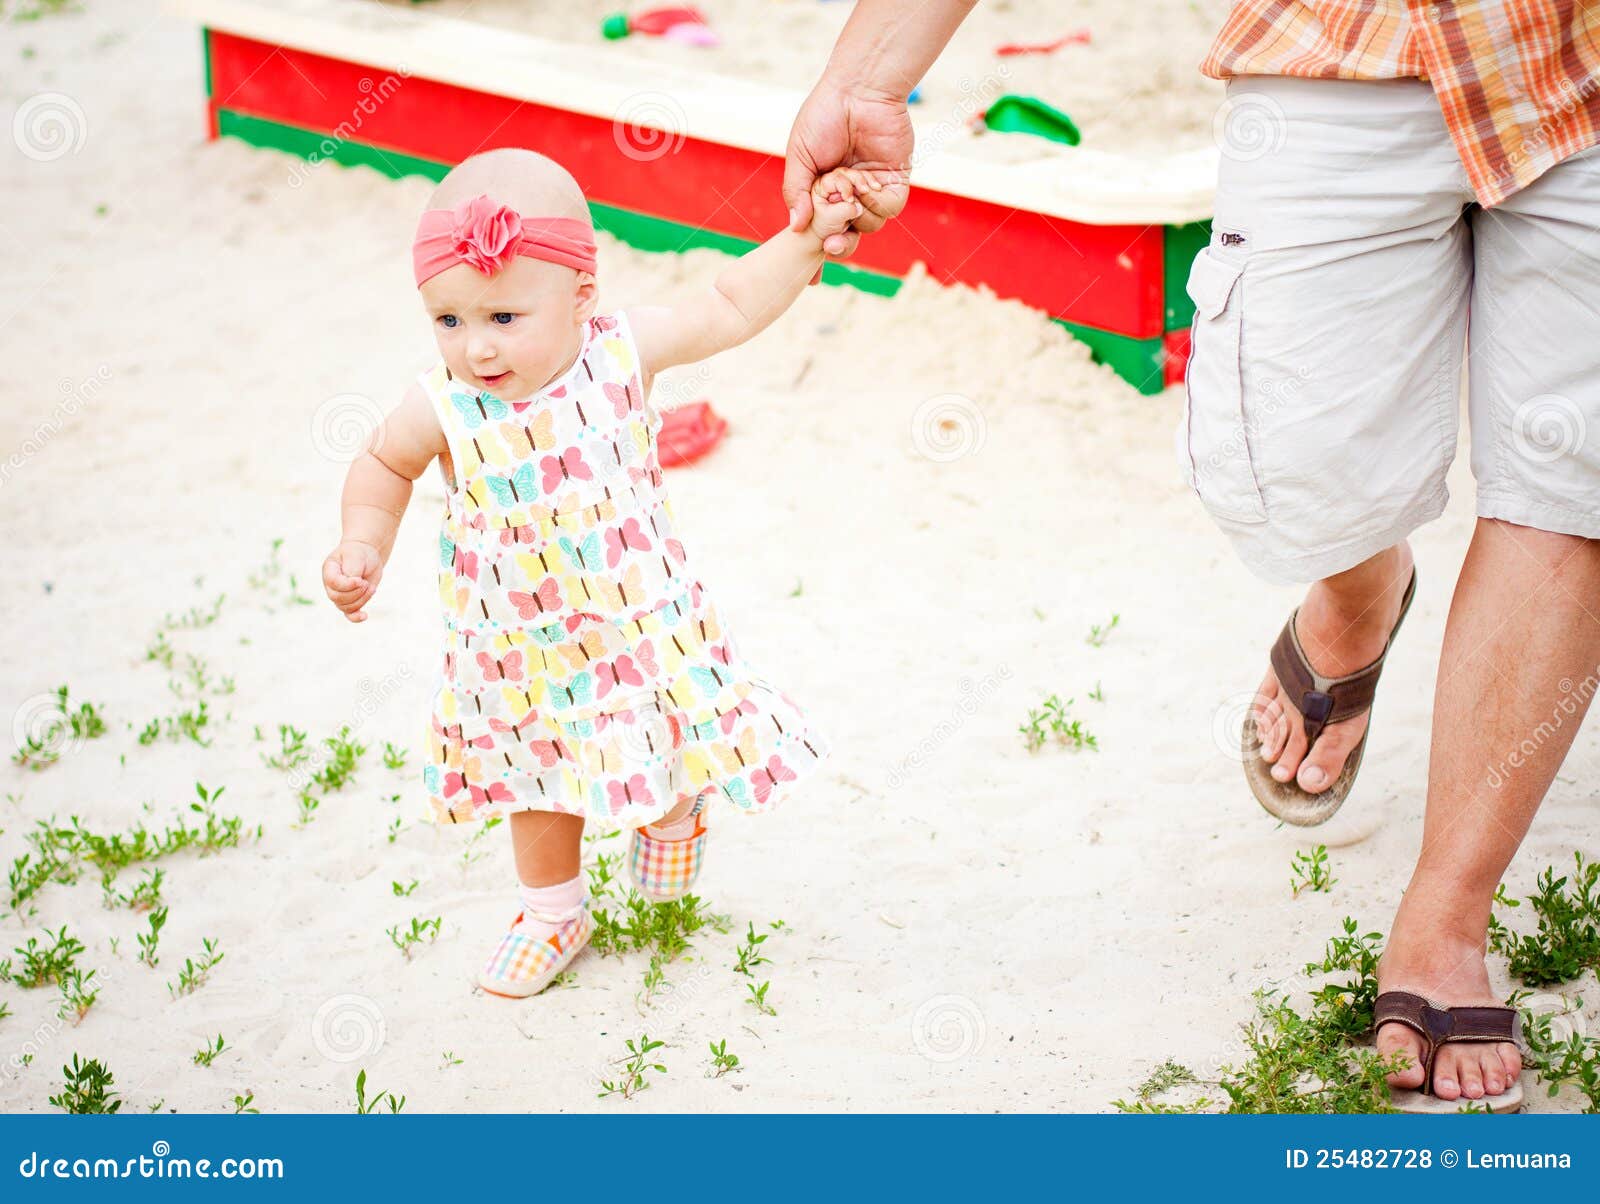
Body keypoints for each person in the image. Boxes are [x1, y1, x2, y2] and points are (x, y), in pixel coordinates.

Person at [786, 0, 1600, 1113]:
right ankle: (1359, 584)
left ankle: (1446, 912)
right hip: (1344, 37)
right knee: (1299, 469)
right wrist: (870, 76)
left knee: (1572, 483)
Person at [321, 148, 889, 998]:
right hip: (515, 648)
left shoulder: (619, 352)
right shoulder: (443, 403)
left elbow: (729, 304)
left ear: (582, 297)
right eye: (448, 320)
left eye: (504, 319)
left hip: (634, 623)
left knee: (654, 728)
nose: (474, 346)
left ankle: (674, 808)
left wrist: (805, 241)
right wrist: (362, 542)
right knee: (532, 777)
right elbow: (383, 465)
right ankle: (552, 913)